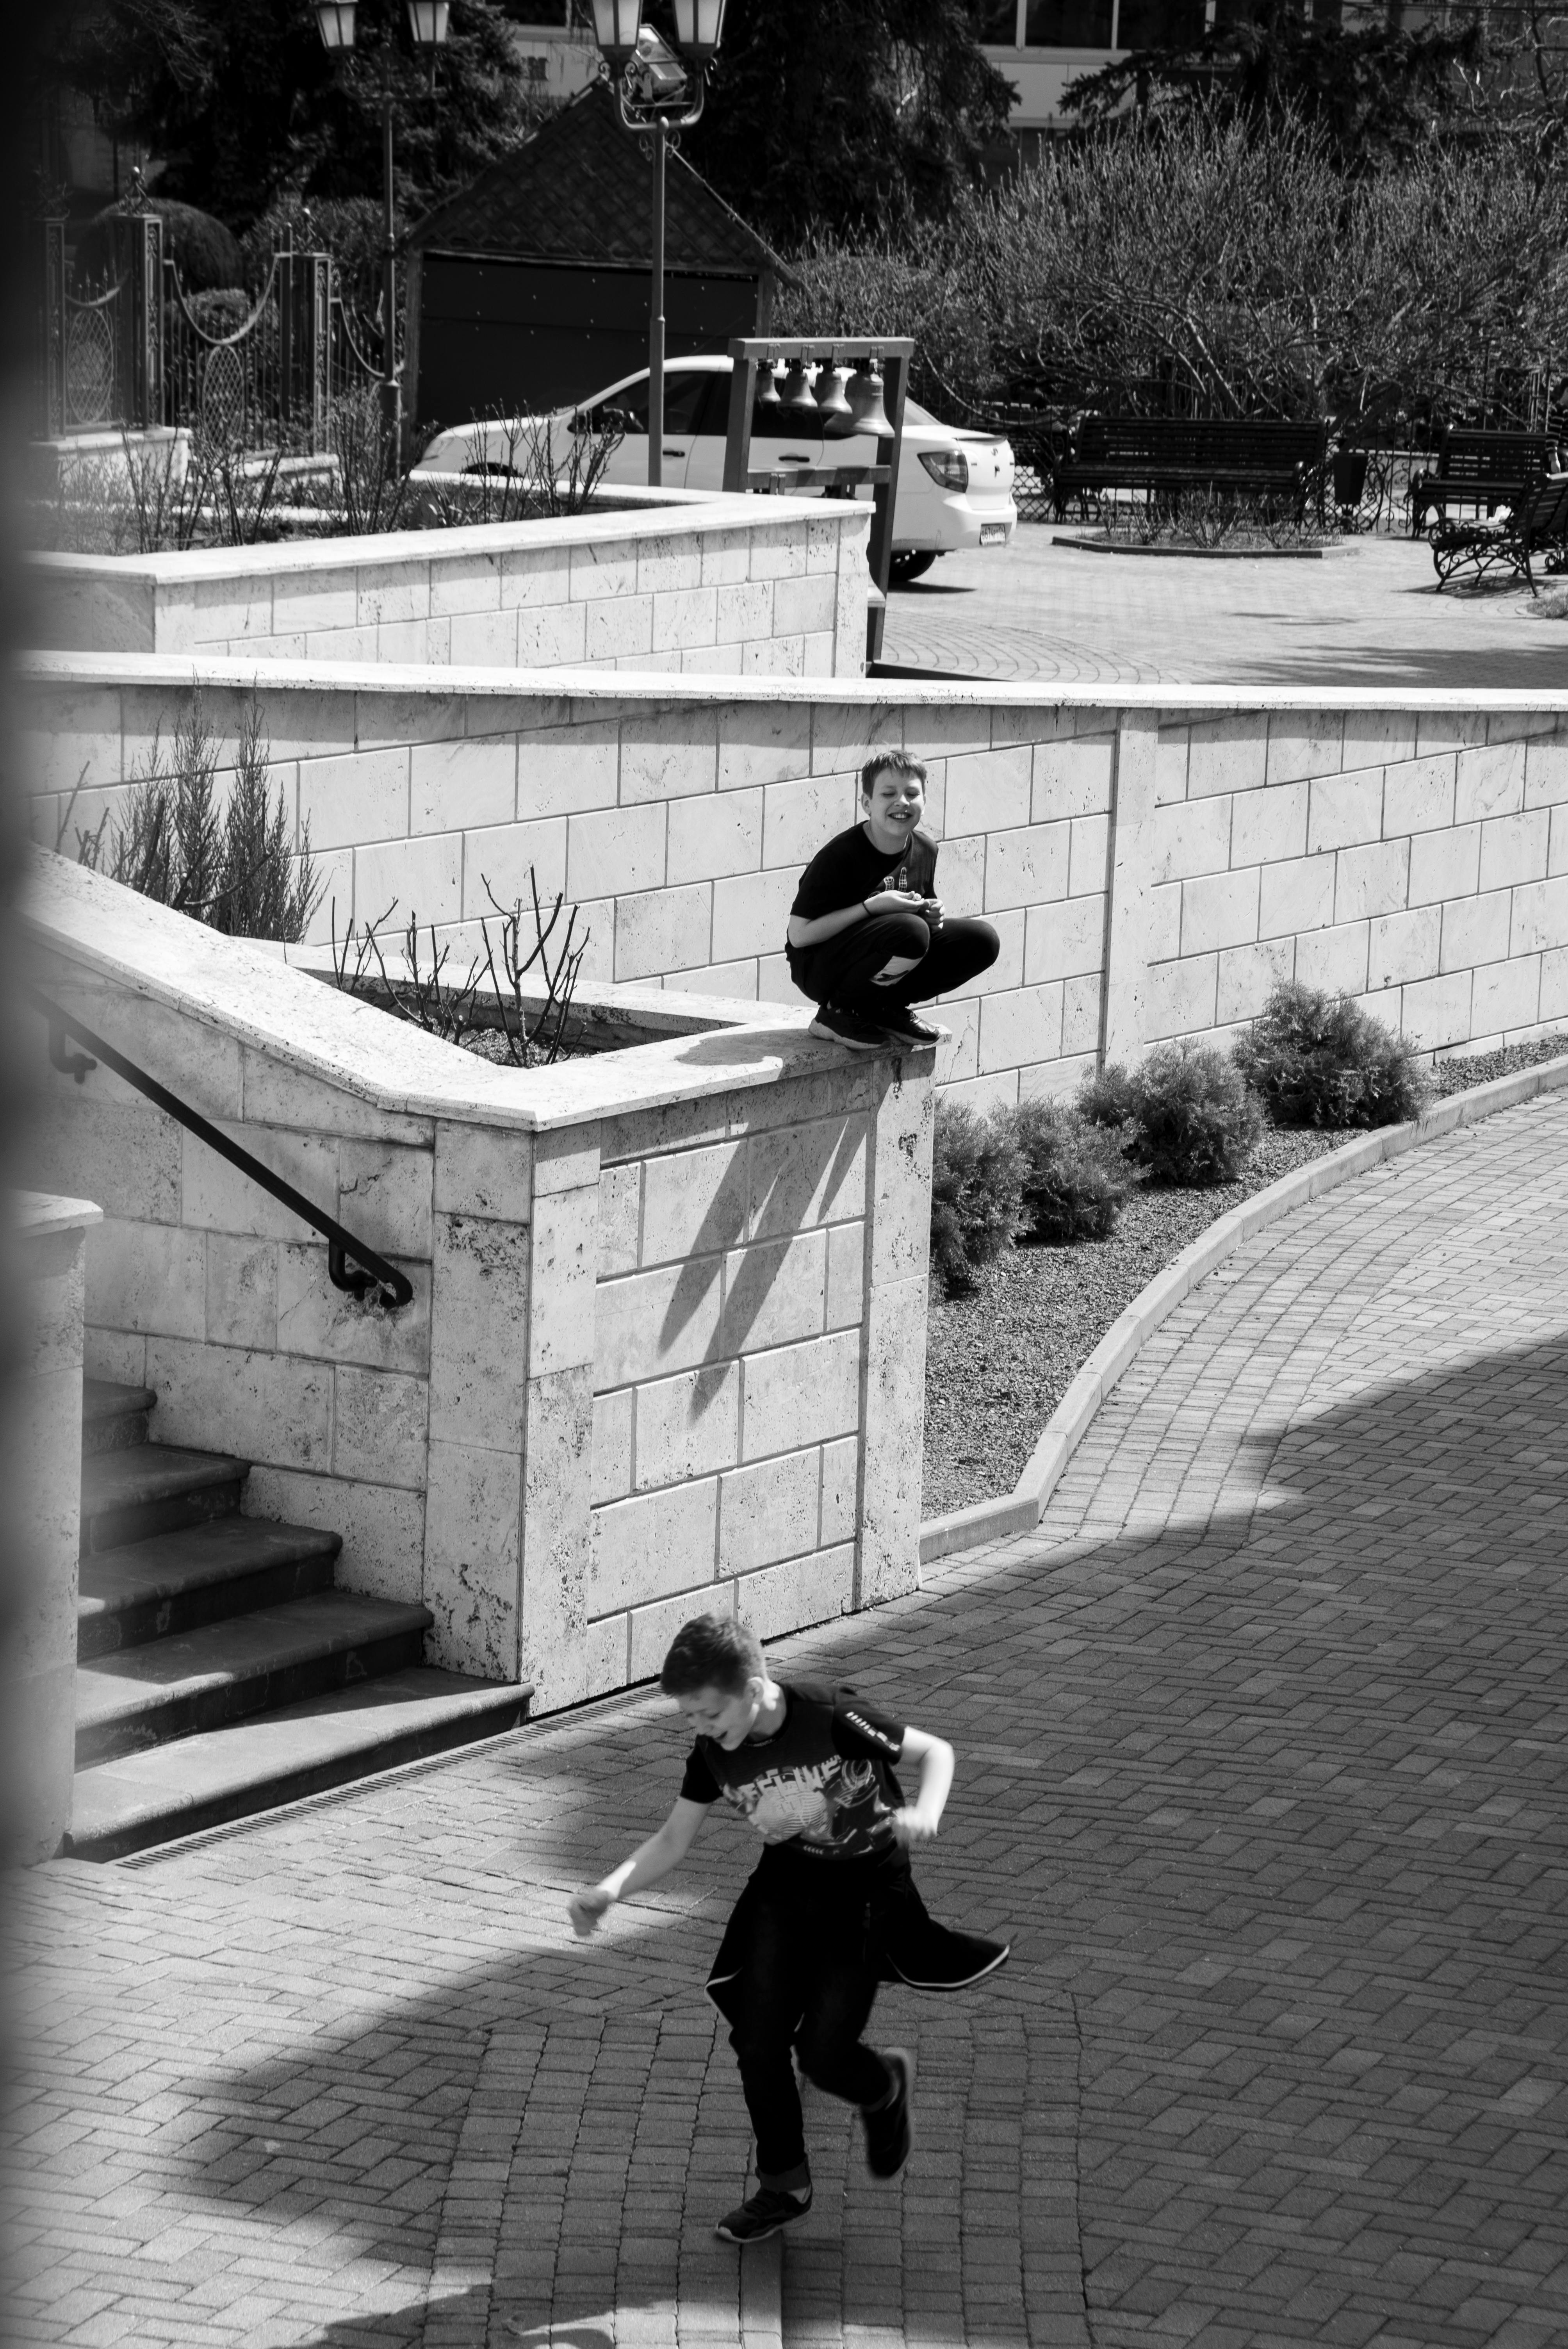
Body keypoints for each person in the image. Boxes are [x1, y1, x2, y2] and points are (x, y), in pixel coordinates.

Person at [567, 1614, 1010, 2246]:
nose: (699, 1729)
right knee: (757, 2041)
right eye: (690, 1717)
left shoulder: (830, 1715)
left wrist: (928, 1811)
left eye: (707, 1714)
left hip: (865, 1893)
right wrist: (609, 1891)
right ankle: (785, 2186)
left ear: (753, 1689)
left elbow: (933, 1751)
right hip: (785, 1889)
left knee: (824, 2055)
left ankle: (883, 2087)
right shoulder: (712, 1752)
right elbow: (672, 1839)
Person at [786, 749, 1001, 1051]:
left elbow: (917, 920)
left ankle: (885, 1007)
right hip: (822, 970)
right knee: (910, 932)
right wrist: (870, 908)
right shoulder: (840, 856)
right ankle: (836, 1014)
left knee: (982, 940)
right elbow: (798, 936)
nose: (902, 802)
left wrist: (932, 913)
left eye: (912, 793)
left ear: (924, 802)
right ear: (867, 804)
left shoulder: (925, 849)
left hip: (884, 955)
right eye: (889, 794)